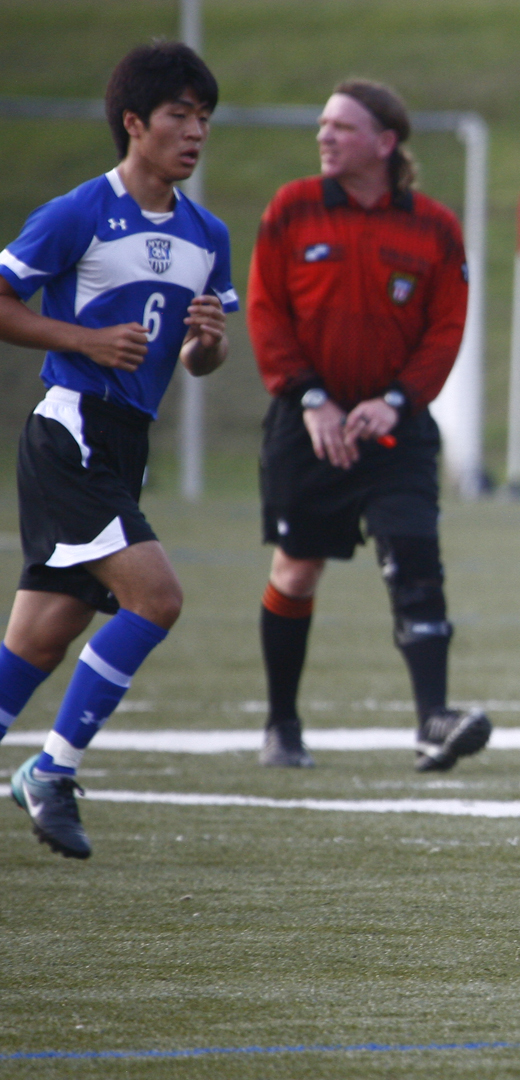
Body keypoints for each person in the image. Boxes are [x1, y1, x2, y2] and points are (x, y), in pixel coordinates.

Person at [0, 42, 235, 859]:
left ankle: (43, 765)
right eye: (178, 115)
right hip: (70, 430)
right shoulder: (79, 213)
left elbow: (202, 360)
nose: (195, 132)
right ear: (133, 124)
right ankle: (52, 772)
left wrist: (208, 345)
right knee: (158, 598)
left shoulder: (208, 236)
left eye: (204, 117)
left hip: (126, 444)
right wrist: (83, 340)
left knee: (39, 638)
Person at [247, 79, 488, 772]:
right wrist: (310, 399)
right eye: (323, 124)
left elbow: (447, 328)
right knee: (295, 572)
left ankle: (432, 723)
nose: (325, 136)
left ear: (385, 143)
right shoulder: (291, 210)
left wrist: (398, 400)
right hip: (307, 426)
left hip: (396, 430)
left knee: (414, 562)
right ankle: (282, 724)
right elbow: (266, 312)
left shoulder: (434, 227)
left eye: (342, 127)